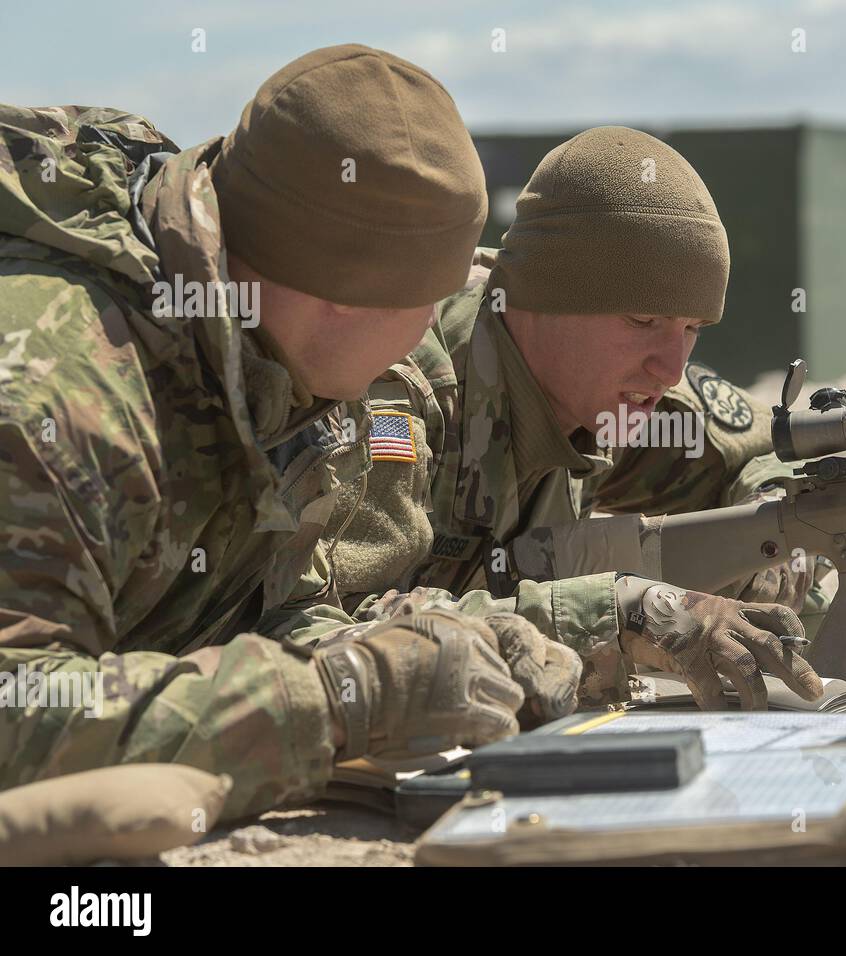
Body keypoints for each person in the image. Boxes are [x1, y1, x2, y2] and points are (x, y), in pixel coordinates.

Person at [0, 45, 576, 820]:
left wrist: (472, 641)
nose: (426, 342)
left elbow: (263, 621)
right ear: (353, 297)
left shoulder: (267, 363)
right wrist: (342, 697)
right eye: (434, 300)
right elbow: (20, 708)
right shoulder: (53, 393)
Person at [324, 127, 826, 712]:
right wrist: (623, 617)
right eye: (642, 319)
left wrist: (771, 545)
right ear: (541, 298)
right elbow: (339, 635)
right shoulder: (397, 389)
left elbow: (767, 451)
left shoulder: (623, 388)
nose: (670, 367)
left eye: (692, 329)